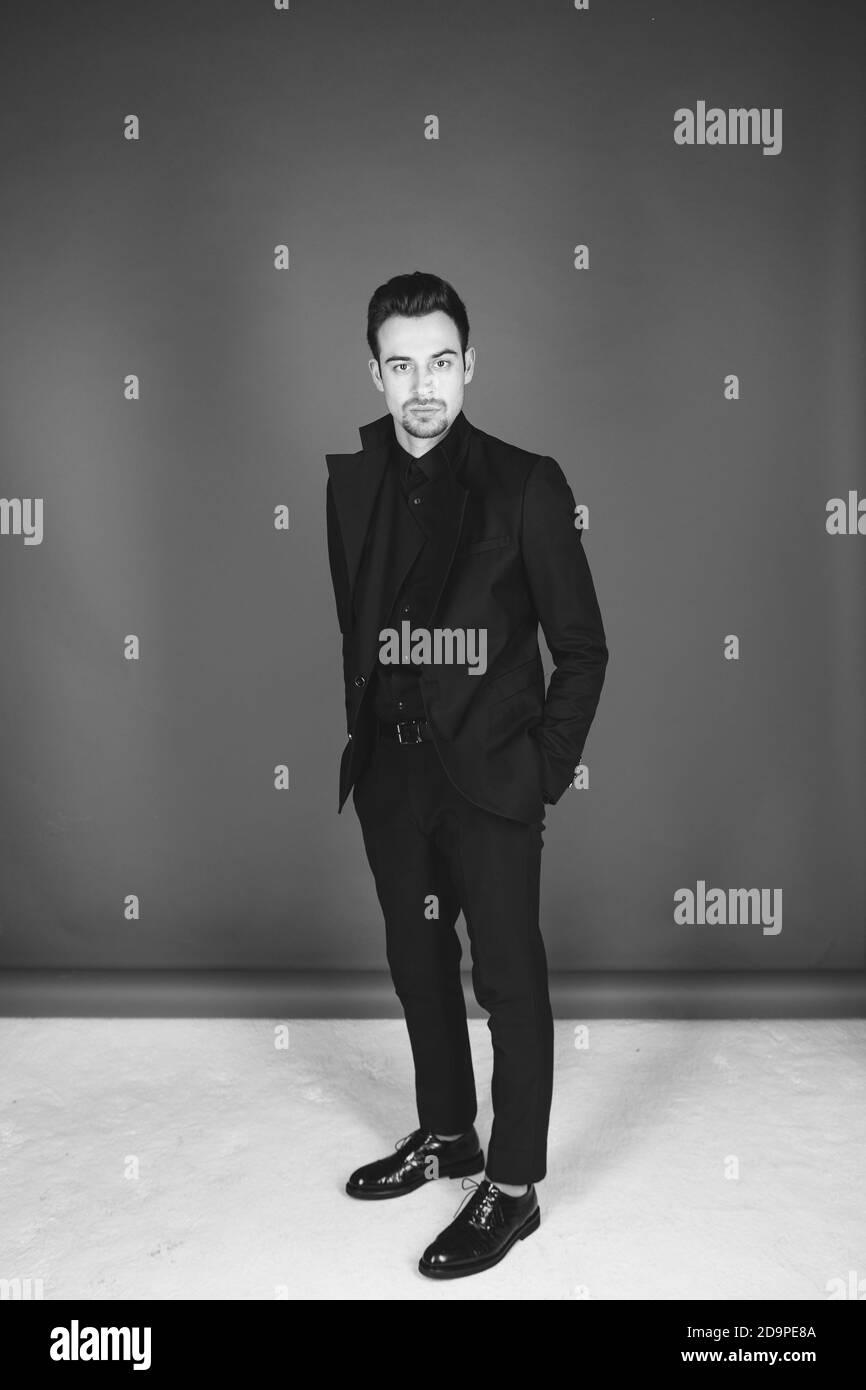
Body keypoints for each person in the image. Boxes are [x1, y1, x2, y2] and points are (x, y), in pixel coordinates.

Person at [325, 270, 609, 1279]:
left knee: (506, 976)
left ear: (468, 365)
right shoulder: (349, 480)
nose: (420, 385)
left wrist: (539, 770)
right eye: (399, 365)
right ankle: (446, 1135)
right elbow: (355, 623)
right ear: (376, 370)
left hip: (491, 779)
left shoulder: (526, 483)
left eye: (439, 362)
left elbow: (581, 647)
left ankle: (514, 1184)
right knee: (415, 966)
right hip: (392, 780)